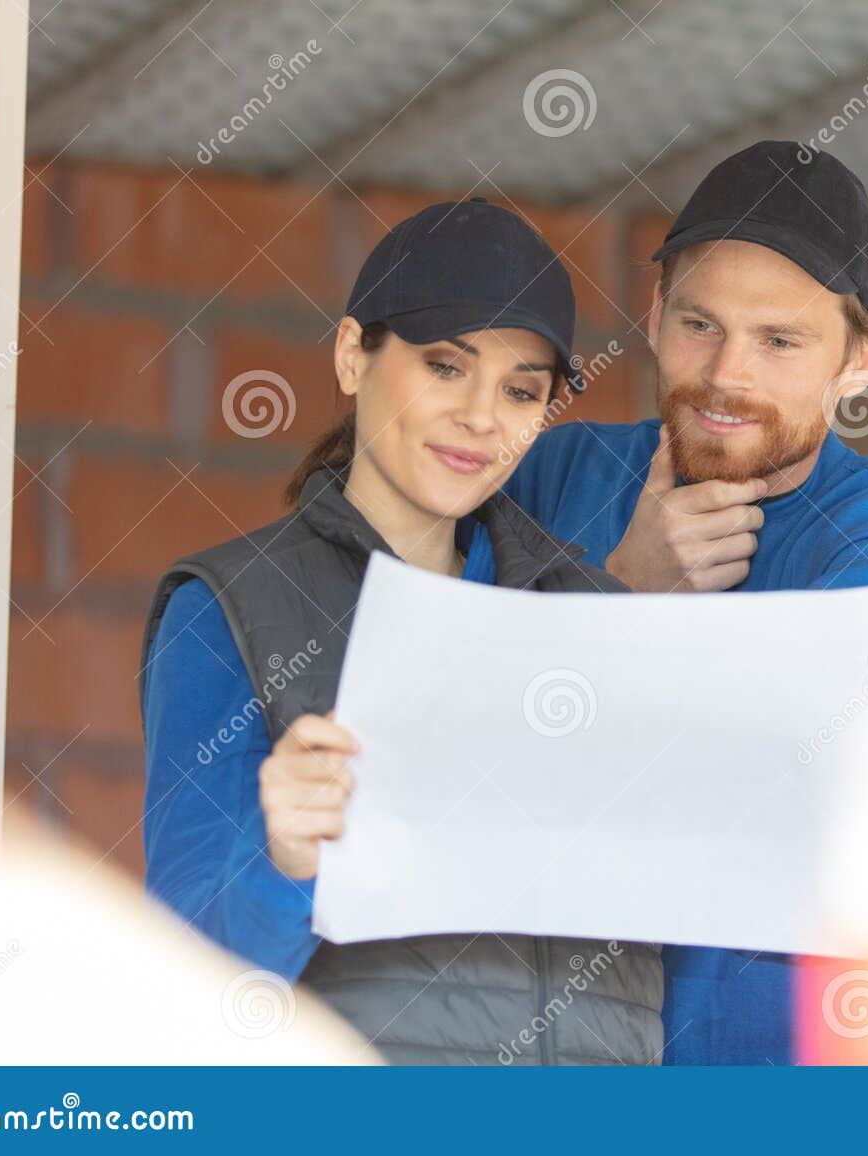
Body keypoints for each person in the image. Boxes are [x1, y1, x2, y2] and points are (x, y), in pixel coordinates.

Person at [139, 200, 662, 1065]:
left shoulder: (597, 622)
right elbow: (186, 974)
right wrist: (286, 860)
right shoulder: (231, 606)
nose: (481, 417)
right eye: (446, 368)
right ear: (353, 356)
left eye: (521, 390)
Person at [499, 140, 868, 1064]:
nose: (728, 375)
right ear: (652, 314)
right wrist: (622, 591)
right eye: (700, 324)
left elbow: (788, 809)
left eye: (782, 341)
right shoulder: (556, 474)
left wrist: (583, 644)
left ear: (861, 358)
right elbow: (442, 745)